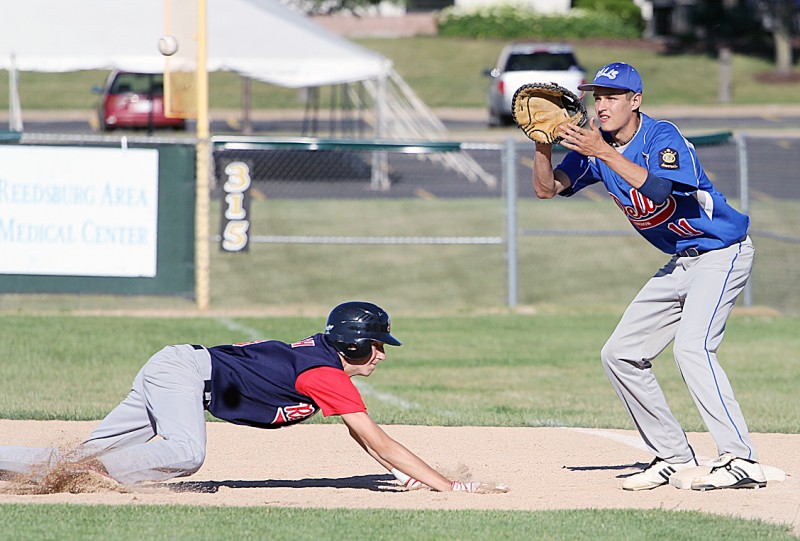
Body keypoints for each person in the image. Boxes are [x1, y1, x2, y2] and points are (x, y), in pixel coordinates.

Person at [532, 62, 766, 491]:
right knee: (619, 353)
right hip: (680, 261)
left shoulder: (661, 136)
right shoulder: (595, 146)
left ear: (635, 101)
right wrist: (542, 148)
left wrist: (602, 153)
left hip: (723, 252)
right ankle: (674, 457)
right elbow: (549, 189)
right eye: (597, 96)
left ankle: (739, 458)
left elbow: (660, 190)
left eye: (612, 96)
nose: (601, 105)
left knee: (692, 348)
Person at [0, 301, 480, 493]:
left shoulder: (325, 366)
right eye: (377, 346)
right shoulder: (325, 373)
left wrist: (395, 472)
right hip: (185, 375)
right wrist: (448, 486)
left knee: (75, 455)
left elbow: (363, 439)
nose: (381, 356)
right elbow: (379, 438)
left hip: (178, 369)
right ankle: (97, 475)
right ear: (353, 345)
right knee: (187, 453)